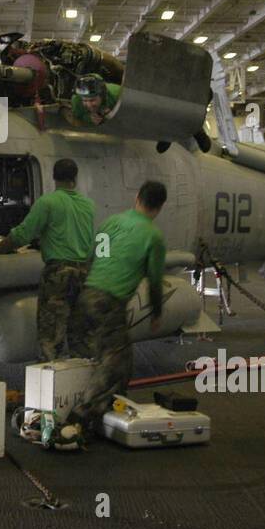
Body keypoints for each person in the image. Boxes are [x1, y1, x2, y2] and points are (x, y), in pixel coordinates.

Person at [68, 180, 168, 438]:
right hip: (109, 303)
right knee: (115, 363)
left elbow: (94, 254)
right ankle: (80, 417)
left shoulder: (112, 222)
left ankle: (109, 414)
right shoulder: (154, 237)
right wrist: (156, 314)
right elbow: (155, 281)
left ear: (137, 197)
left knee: (107, 358)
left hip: (86, 296)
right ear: (159, 207)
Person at [0, 159, 95, 360]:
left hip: (58, 275)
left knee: (50, 336)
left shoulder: (47, 203)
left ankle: (49, 381)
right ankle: (77, 384)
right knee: (79, 334)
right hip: (84, 274)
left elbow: (21, 236)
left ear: (54, 177)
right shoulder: (88, 205)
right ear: (75, 178)